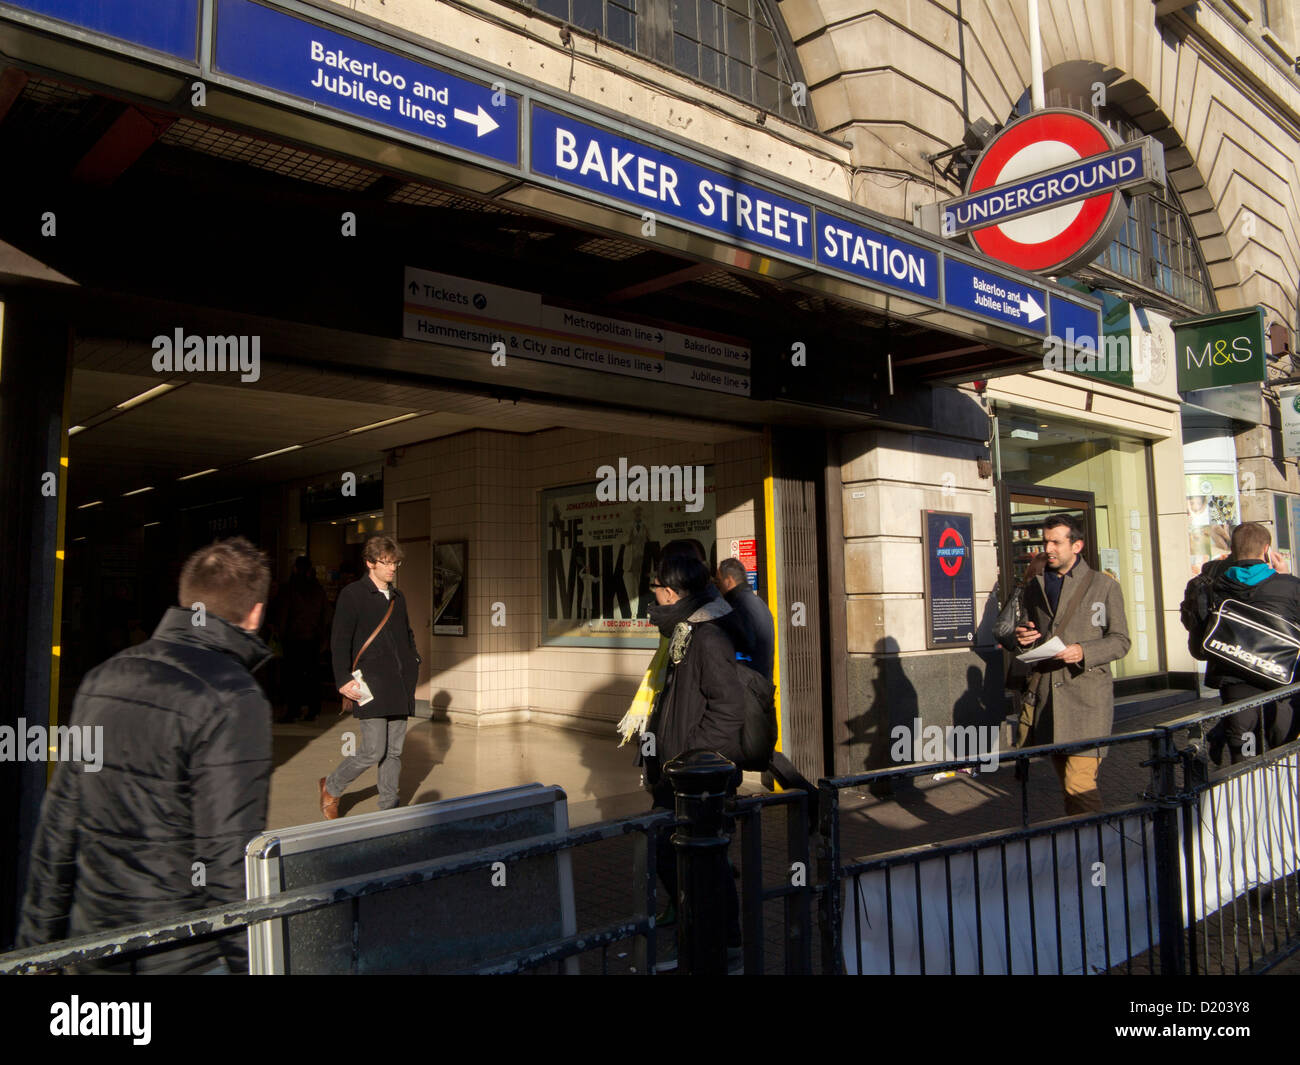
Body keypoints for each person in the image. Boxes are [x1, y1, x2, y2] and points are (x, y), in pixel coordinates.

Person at [17, 537, 274, 973]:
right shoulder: (234, 698)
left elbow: (58, 830)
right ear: (255, 612)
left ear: (186, 599)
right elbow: (228, 865)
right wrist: (255, 964)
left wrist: (37, 949)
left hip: (92, 945)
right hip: (184, 955)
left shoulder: (103, 678)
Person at [640, 551, 749, 971]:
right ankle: (707, 941)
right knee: (684, 857)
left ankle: (724, 945)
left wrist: (693, 760)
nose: (653, 599)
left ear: (671, 592)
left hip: (698, 776)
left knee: (700, 861)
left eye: (656, 591)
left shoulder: (708, 636)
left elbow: (727, 710)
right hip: (680, 774)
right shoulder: (687, 631)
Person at [1014, 514, 1130, 815]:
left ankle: (1093, 848)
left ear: (1076, 545)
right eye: (1045, 541)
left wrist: (1083, 650)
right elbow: (1030, 631)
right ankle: (1081, 844)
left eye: (1056, 542)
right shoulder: (1035, 586)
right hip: (1048, 700)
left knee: (1079, 784)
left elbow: (1120, 641)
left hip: (1087, 701)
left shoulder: (1104, 587)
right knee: (1068, 782)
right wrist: (1024, 637)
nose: (1048, 548)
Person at [320, 536, 420, 819]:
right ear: (370, 563)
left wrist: (414, 662)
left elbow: (407, 634)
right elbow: (340, 641)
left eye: (395, 562)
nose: (392, 569)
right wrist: (343, 679)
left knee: (394, 752)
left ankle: (389, 808)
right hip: (370, 684)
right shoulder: (353, 594)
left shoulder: (398, 597)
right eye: (386, 563)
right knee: (373, 749)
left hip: (400, 683)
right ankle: (332, 786)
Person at [1191, 522, 1298, 764]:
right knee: (1283, 753)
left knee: (1244, 758)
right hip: (1281, 680)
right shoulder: (1289, 587)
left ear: (1233, 551)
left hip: (1234, 680)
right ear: (1267, 550)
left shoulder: (1212, 586)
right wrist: (1286, 577)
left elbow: (1198, 634)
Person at [276, 556, 329, 722]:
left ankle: (293, 710)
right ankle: (313, 709)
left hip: (294, 638)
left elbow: (284, 615)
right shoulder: (317, 590)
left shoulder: (290, 589)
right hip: (313, 638)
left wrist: (281, 634)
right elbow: (326, 615)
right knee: (312, 675)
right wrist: (323, 636)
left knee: (292, 677)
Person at [717, 557, 774, 681]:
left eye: (718, 581)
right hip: (761, 686)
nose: (717, 587)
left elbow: (740, 649)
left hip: (748, 689)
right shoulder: (758, 603)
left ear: (728, 581)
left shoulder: (739, 607)